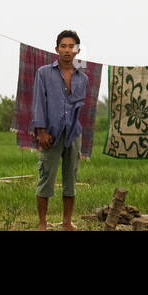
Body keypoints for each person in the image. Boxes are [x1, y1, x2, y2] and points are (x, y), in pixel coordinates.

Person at [33, 30, 87, 231]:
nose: (67, 50)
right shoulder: (44, 73)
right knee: (46, 175)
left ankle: (66, 221)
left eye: (71, 47)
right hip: (50, 133)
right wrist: (41, 131)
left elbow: (78, 106)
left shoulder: (83, 77)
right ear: (56, 49)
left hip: (73, 133)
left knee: (71, 177)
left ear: (77, 50)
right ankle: (42, 223)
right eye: (63, 46)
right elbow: (39, 102)